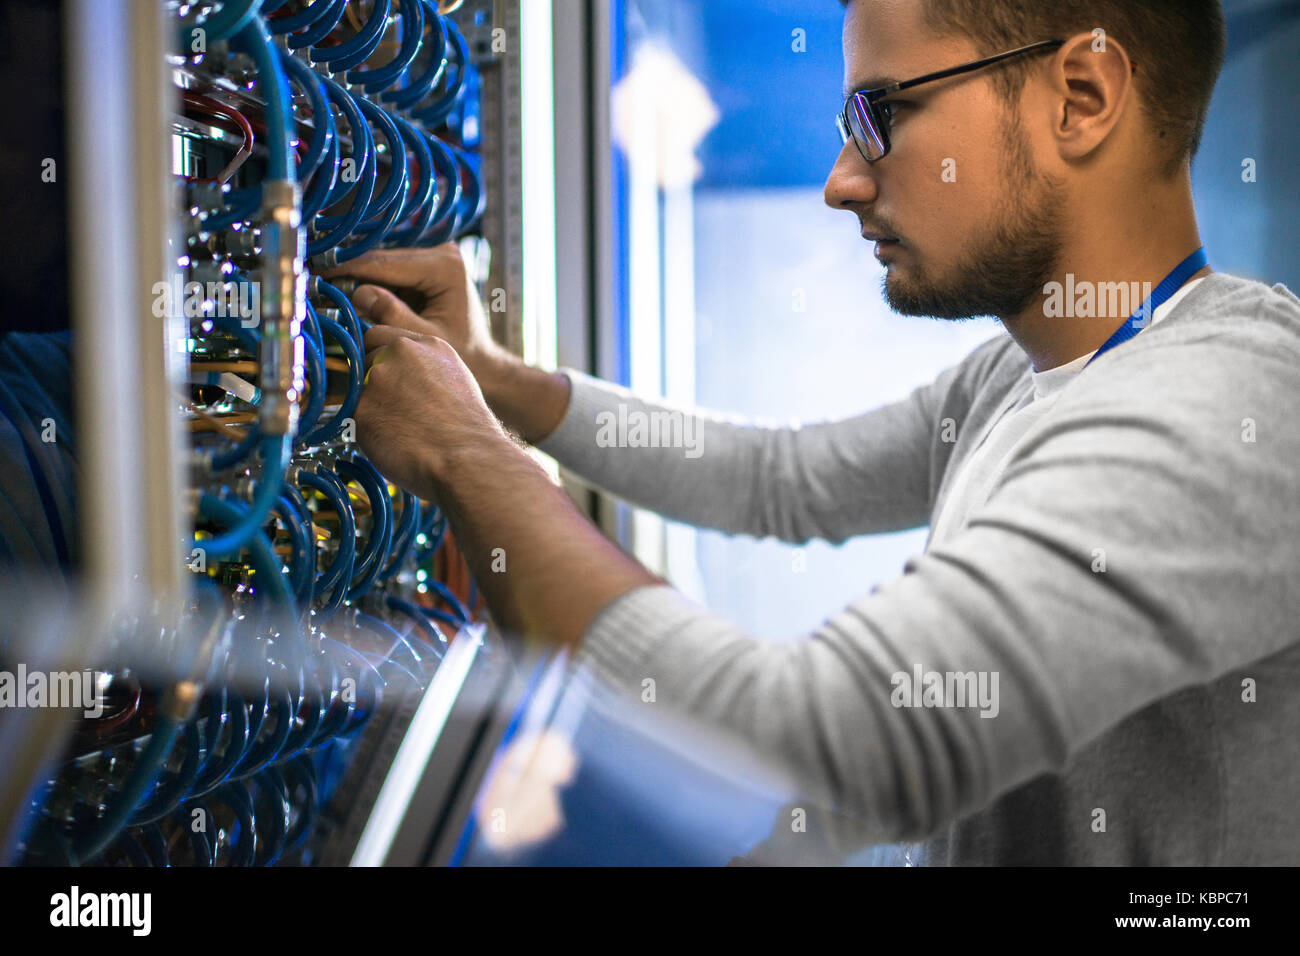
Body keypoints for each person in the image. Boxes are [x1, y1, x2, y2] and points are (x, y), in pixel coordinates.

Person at [325, 0, 1300, 865]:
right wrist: (495, 385)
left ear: (1080, 96)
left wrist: (464, 455)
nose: (841, 182)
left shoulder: (1225, 407)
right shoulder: (1024, 372)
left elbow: (825, 732)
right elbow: (778, 477)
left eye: (880, 116)